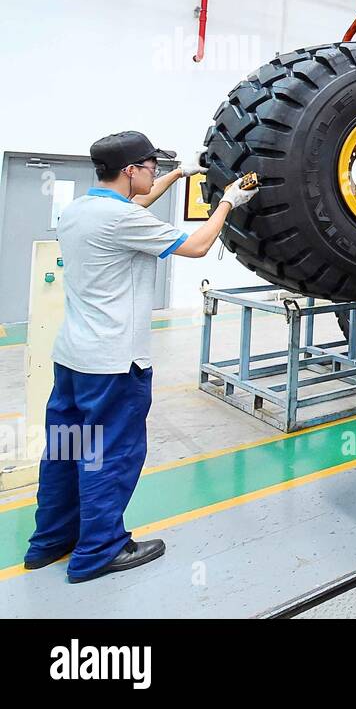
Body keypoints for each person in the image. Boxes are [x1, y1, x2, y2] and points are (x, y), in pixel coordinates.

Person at [24, 131, 258, 583]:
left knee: (65, 452)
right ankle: (99, 552)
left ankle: (49, 542)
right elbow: (197, 246)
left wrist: (179, 174)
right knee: (108, 455)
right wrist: (228, 202)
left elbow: (135, 208)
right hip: (114, 365)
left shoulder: (80, 211)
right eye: (150, 167)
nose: (152, 175)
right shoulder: (119, 220)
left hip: (72, 360)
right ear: (130, 170)